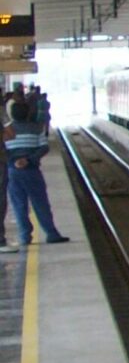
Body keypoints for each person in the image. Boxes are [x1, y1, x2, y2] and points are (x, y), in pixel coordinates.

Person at [3, 96, 69, 250]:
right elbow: (44, 147)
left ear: (12, 114)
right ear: (28, 114)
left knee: (19, 204)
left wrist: (14, 161)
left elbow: (3, 150)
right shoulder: (37, 128)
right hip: (32, 171)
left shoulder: (7, 130)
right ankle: (51, 234)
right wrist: (29, 160)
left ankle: (25, 236)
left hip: (12, 172)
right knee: (40, 203)